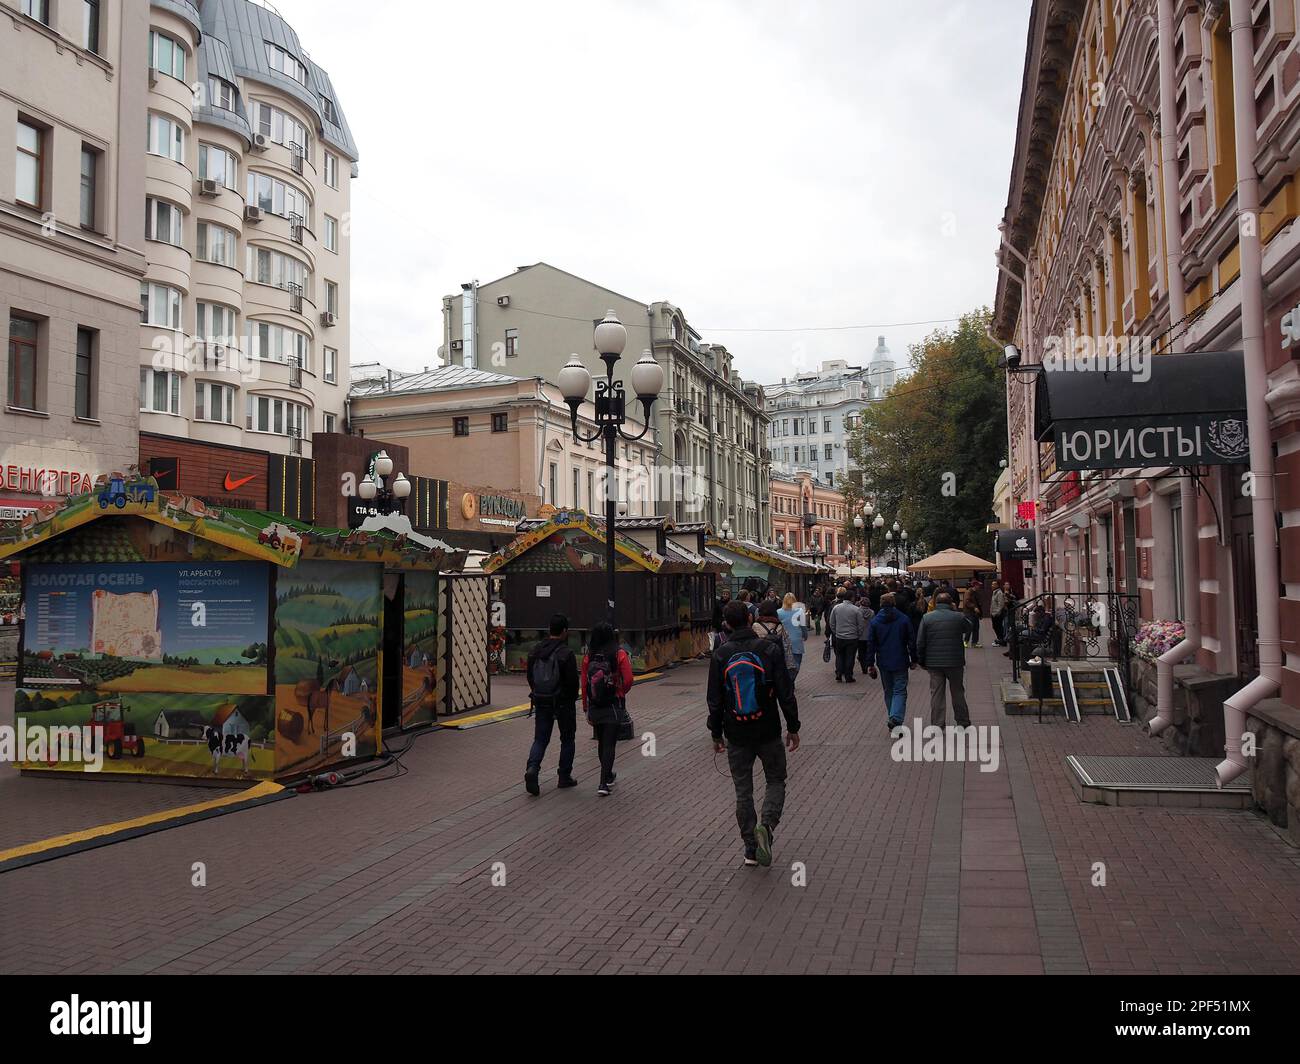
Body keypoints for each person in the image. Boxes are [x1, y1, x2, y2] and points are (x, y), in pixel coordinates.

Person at [708, 600, 801, 867]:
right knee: (775, 779)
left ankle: (750, 847)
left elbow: (714, 700)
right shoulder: (769, 649)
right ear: (750, 620)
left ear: (726, 623)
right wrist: (792, 726)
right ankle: (767, 826)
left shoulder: (721, 655)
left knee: (743, 791)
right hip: (768, 728)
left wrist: (716, 734)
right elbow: (786, 692)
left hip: (736, 731)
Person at [524, 613, 581, 796]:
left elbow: (530, 677)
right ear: (564, 631)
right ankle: (564, 776)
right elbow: (573, 683)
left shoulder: (536, 651)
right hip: (563, 703)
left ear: (549, 629)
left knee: (540, 739)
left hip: (541, 701)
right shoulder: (566, 653)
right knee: (568, 738)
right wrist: (569, 699)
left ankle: (532, 768)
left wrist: (538, 692)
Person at [581, 622, 634, 796]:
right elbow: (628, 680)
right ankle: (604, 782)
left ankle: (607, 775)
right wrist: (619, 692)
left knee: (602, 742)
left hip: (595, 704)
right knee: (610, 744)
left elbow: (584, 682)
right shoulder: (619, 654)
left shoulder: (589, 657)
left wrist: (586, 706)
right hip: (614, 704)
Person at [916, 592, 973, 726]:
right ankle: (962, 720)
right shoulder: (958, 616)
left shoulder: (927, 618)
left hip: (934, 662)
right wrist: (955, 611)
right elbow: (969, 626)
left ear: (936, 603)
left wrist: (921, 660)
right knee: (958, 691)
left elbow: (920, 642)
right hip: (955, 661)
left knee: (937, 694)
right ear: (951, 603)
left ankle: (937, 723)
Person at [863, 592, 918, 730]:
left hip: (883, 661)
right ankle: (896, 718)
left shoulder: (875, 621)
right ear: (894, 603)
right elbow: (911, 640)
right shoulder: (903, 619)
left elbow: (871, 643)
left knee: (888, 690)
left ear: (881, 604)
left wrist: (870, 663)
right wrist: (914, 658)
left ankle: (892, 717)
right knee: (900, 690)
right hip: (900, 659)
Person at [828, 588, 867, 682]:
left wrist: (836, 632)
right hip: (852, 637)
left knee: (839, 656)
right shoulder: (856, 610)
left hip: (839, 636)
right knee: (850, 656)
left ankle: (839, 673)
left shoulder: (836, 608)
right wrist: (858, 634)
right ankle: (848, 675)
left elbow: (831, 622)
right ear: (851, 598)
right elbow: (861, 625)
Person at [754, 598, 795, 675]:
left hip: (761, 661)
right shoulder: (780, 626)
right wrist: (790, 665)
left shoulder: (756, 626)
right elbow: (787, 645)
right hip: (777, 661)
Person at [778, 592, 806, 679]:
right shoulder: (800, 611)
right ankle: (792, 679)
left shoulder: (779, 612)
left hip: (784, 640)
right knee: (797, 661)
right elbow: (803, 626)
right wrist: (805, 635)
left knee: (785, 662)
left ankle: (788, 680)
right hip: (796, 639)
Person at [855, 592, 877, 678]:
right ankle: (868, 665)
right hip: (869, 635)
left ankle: (863, 667)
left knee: (861, 652)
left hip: (860, 635)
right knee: (868, 651)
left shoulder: (857, 611)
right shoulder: (872, 612)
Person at [990, 581, 1007, 646]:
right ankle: (999, 638)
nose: (992, 585)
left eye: (994, 584)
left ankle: (1001, 640)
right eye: (992, 584)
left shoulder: (999, 593)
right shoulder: (994, 593)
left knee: (998, 627)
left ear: (997, 585)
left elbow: (1001, 604)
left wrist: (997, 612)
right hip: (993, 613)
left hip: (997, 614)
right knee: (995, 626)